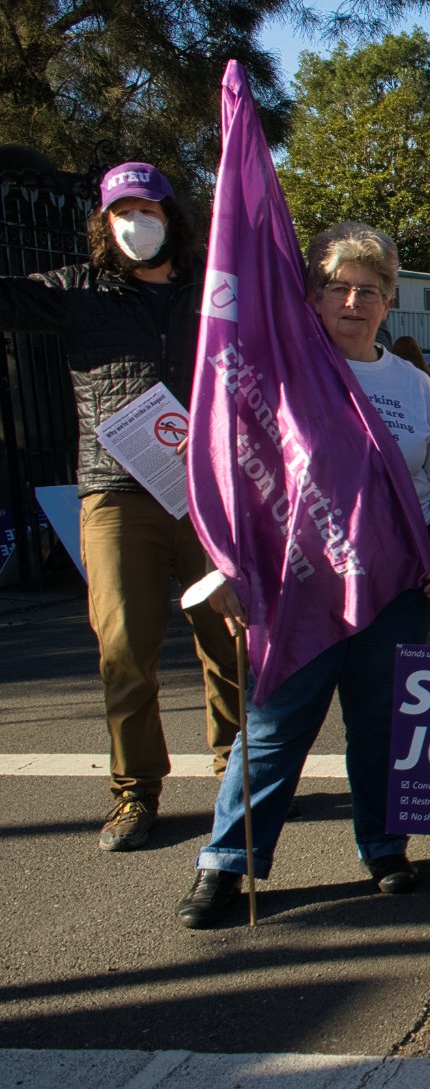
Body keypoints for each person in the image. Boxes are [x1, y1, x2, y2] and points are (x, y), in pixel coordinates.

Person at [176, 222, 430, 928]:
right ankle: (228, 860)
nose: (354, 300)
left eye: (372, 289)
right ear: (312, 293)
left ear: (390, 299)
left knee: (379, 723)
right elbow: (234, 474)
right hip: (299, 586)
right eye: (339, 286)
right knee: (276, 723)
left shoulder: (416, 386)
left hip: (395, 586)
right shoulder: (278, 376)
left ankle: (385, 848)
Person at [0, 161, 241, 851]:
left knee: (228, 637)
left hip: (207, 492)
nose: (136, 222)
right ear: (104, 223)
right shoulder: (75, 291)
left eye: (149, 208)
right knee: (124, 648)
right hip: (116, 491)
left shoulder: (211, 288)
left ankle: (235, 767)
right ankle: (135, 791)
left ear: (173, 216)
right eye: (121, 211)